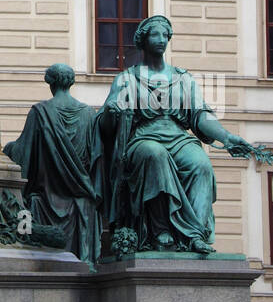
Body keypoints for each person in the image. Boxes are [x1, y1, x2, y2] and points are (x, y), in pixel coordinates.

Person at [99, 15, 254, 254]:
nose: (161, 39)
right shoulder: (127, 78)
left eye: (165, 35)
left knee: (200, 164)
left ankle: (195, 235)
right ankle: (161, 231)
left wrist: (225, 136)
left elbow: (201, 115)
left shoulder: (183, 78)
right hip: (143, 137)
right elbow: (105, 124)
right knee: (155, 155)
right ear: (143, 40)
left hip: (178, 137)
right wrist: (113, 111)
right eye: (155, 34)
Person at [5, 65, 104, 265]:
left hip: (47, 196)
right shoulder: (89, 114)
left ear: (50, 83)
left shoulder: (40, 112)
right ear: (72, 82)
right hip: (82, 195)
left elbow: (24, 153)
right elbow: (96, 158)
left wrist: (8, 149)